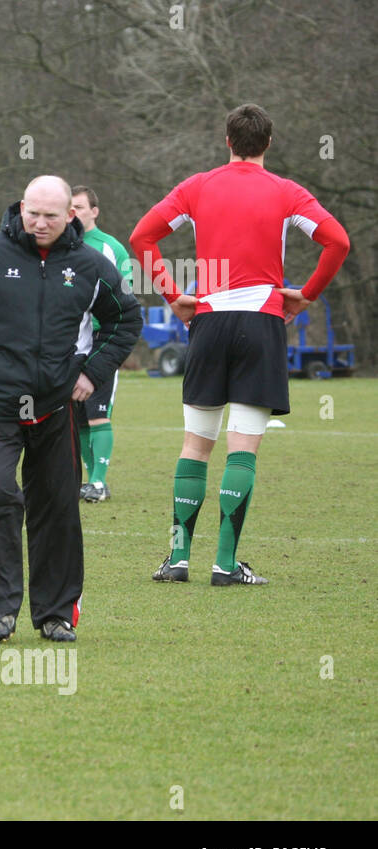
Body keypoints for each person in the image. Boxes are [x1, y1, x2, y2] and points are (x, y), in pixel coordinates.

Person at [130, 103, 350, 586]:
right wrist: (306, 296)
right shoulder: (287, 192)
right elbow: (338, 242)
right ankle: (225, 565)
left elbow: (142, 236)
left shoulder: (197, 186)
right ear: (268, 144)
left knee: (195, 444)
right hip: (261, 323)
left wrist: (174, 295)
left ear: (227, 142)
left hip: (208, 324)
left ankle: (178, 559)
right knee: (242, 449)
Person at [0, 175, 141, 642]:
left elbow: (125, 318)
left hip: (56, 405)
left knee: (58, 506)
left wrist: (92, 373)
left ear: (71, 215)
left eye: (51, 216)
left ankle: (56, 613)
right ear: (21, 207)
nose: (40, 223)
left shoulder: (89, 265)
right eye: (33, 213)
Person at [70, 185, 134, 504]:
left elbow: (126, 297)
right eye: (70, 208)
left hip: (102, 338)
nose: (75, 213)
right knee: (77, 413)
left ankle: (99, 480)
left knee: (98, 410)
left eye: (80, 207)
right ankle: (92, 479)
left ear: (94, 211)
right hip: (71, 340)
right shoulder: (62, 246)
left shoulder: (111, 248)